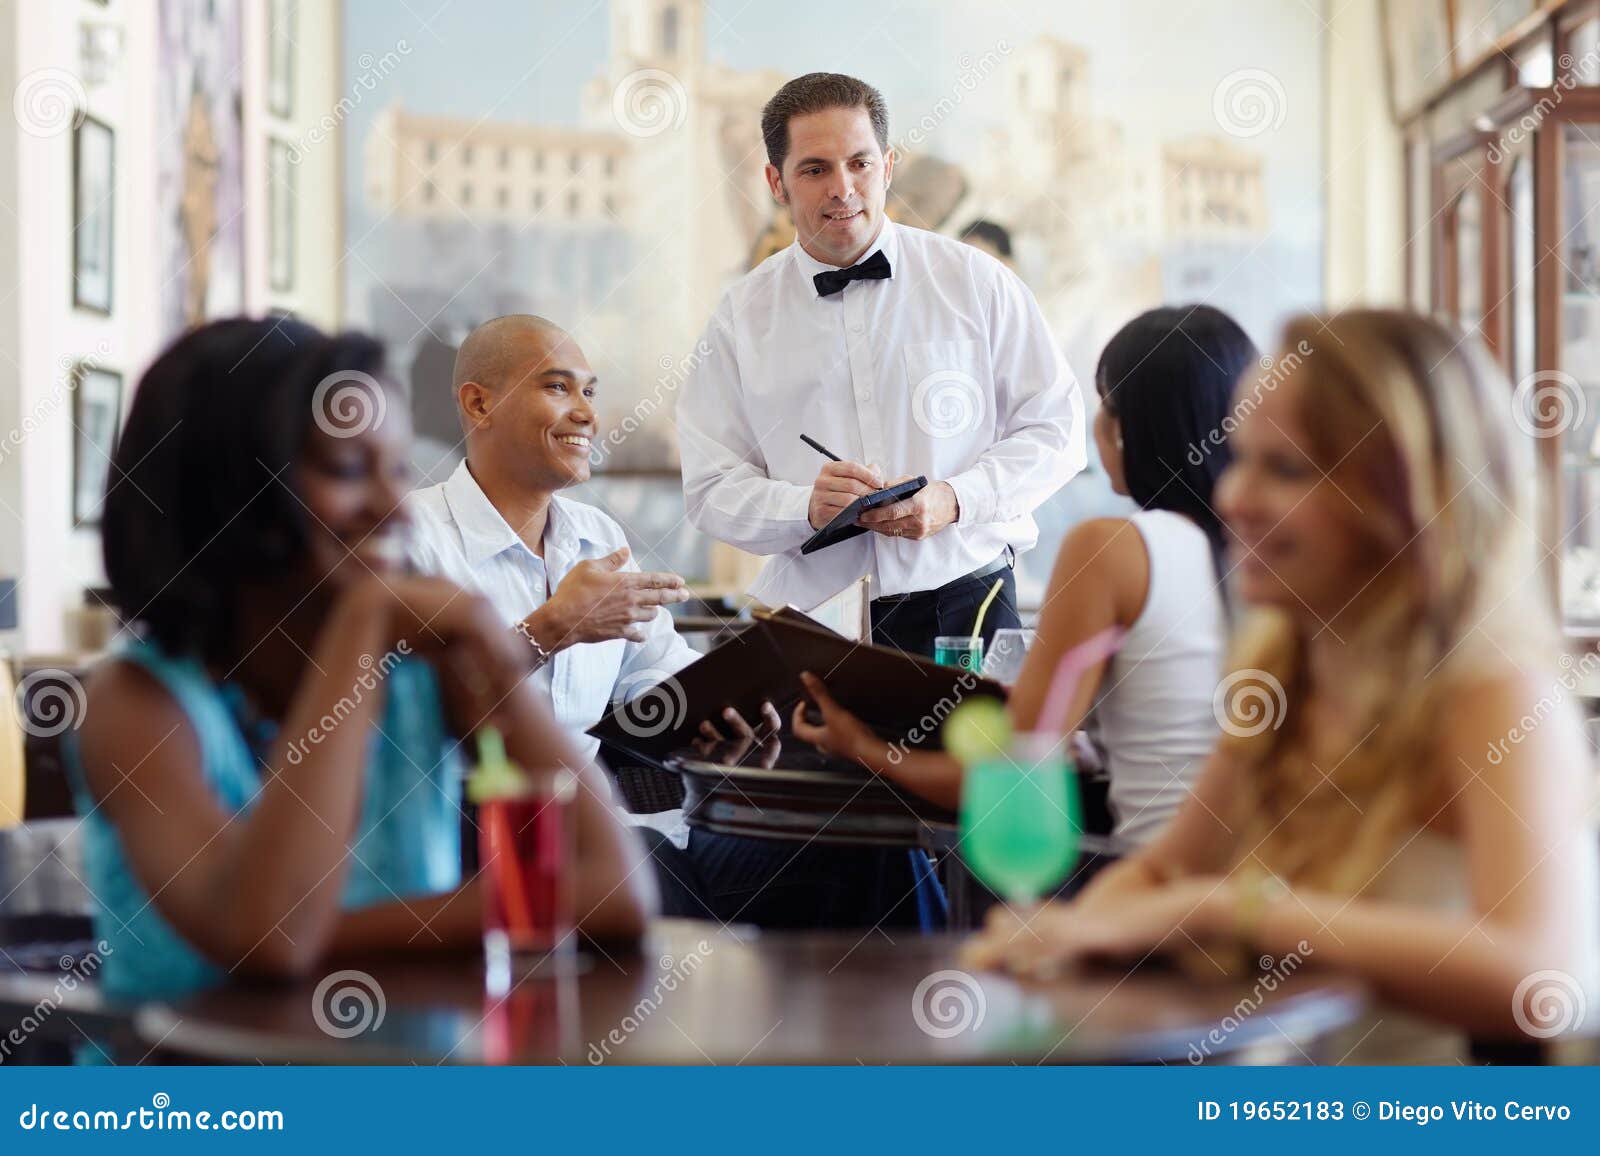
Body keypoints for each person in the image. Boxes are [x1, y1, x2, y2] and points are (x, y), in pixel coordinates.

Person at [965, 310, 1600, 1060]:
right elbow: (1166, 869)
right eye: (1242, 458)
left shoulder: (1494, 696)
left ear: (1406, 496)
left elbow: (1540, 977)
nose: (1233, 495)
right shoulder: (1282, 674)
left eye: (1287, 469)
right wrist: (1078, 935)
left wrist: (1226, 912)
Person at [68, 318, 656, 998]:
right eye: (349, 471)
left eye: (399, 470)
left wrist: (485, 654)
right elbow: (272, 941)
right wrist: (365, 620)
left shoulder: (422, 674)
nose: (393, 508)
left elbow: (615, 891)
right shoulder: (138, 703)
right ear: (232, 493)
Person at [409, 314, 934, 931]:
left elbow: (660, 681)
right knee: (655, 874)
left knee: (874, 855)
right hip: (482, 837)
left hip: (625, 833)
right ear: (479, 403)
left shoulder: (595, 536)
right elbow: (406, 711)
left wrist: (729, 709)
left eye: (590, 391)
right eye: (557, 388)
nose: (585, 413)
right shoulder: (413, 537)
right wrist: (553, 627)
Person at [792, 306, 1255, 848]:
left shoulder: (1111, 549)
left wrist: (864, 748)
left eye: (1105, 404)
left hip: (1157, 892)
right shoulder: (1270, 555)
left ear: (1130, 428)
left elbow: (1011, 784)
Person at [677, 72, 1085, 660]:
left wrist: (955, 497)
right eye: (815, 169)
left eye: (860, 163)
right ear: (775, 182)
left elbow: (1058, 430)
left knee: (974, 756)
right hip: (815, 619)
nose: (842, 188)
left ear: (888, 166)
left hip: (967, 601)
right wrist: (804, 508)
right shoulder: (738, 317)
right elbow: (710, 486)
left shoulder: (977, 282)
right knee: (811, 759)